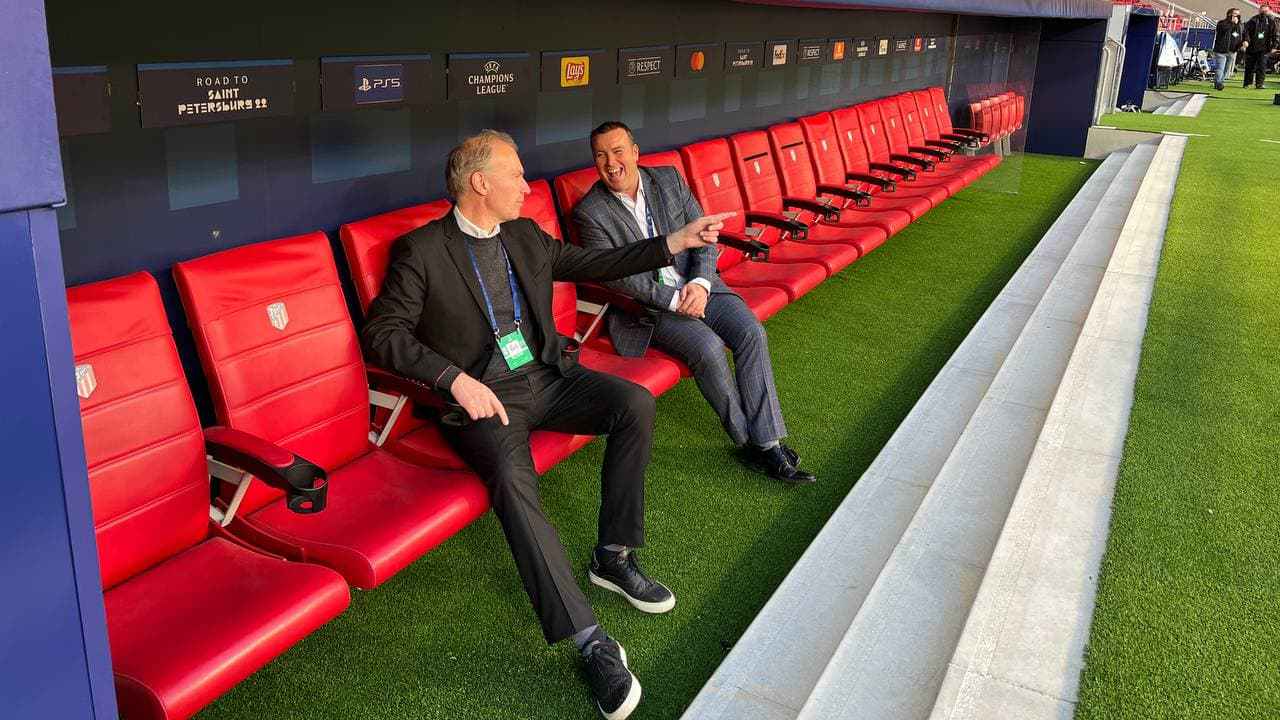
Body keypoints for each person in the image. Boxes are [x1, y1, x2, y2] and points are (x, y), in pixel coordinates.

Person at [362, 130, 731, 720]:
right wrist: (453, 379)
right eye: (515, 174)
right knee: (514, 483)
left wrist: (674, 242)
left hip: (548, 376)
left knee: (634, 403)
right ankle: (591, 641)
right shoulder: (423, 250)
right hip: (486, 398)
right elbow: (383, 333)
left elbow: (597, 263)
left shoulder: (525, 234)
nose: (526, 185)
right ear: (480, 183)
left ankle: (612, 556)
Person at [572, 121, 816, 486]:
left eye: (618, 151)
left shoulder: (668, 180)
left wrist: (700, 283)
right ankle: (751, 443)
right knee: (709, 347)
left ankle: (768, 442)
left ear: (635, 152)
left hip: (701, 287)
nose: (611, 163)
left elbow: (704, 235)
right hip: (651, 307)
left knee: (751, 332)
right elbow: (616, 277)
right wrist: (674, 300)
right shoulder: (591, 211)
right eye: (601, 155)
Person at [1241, 5, 1278, 89]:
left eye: (1265, 11)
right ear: (1259, 11)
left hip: (1265, 48)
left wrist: (1274, 46)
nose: (1264, 13)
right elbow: (1246, 32)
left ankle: (1259, 84)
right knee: (1250, 66)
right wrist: (1246, 40)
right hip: (1252, 47)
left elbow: (1275, 35)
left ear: (1269, 11)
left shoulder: (1271, 21)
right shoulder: (1253, 20)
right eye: (1262, 11)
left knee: (1262, 66)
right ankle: (1247, 83)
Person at [1213, 8, 1246, 90]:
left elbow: (1242, 35)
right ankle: (1218, 83)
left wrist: (1244, 42)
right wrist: (1232, 23)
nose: (1237, 16)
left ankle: (1220, 82)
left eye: (1238, 14)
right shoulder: (1222, 23)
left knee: (1226, 69)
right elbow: (1223, 30)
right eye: (1235, 14)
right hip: (1221, 50)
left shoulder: (1240, 25)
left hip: (1232, 50)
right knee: (1220, 68)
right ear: (1229, 14)